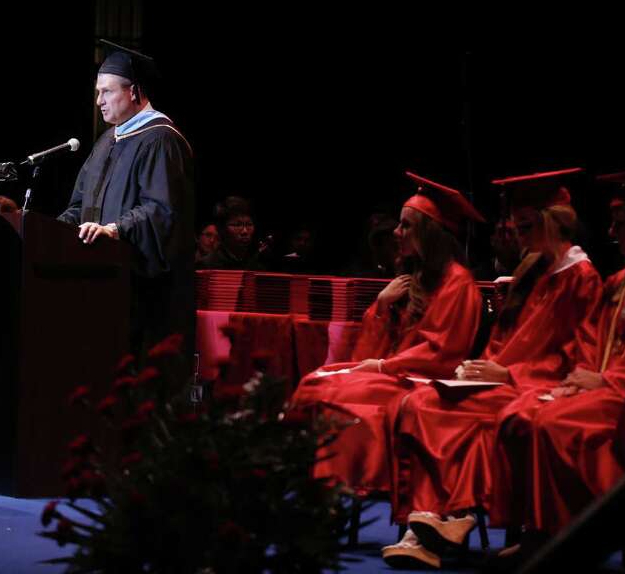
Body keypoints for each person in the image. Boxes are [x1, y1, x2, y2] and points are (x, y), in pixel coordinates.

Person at [382, 169, 602, 568]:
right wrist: (478, 367)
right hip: (504, 380)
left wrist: (508, 375)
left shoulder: (581, 278)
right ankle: (436, 518)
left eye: (526, 226)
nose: (518, 235)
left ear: (554, 222)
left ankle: (444, 516)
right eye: (516, 226)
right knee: (422, 400)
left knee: (432, 407)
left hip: (537, 387)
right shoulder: (533, 271)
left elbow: (578, 357)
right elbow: (502, 342)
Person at [490, 168, 625, 562]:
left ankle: (569, 539)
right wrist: (580, 379)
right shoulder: (621, 281)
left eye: (620, 223)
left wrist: (605, 381)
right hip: (604, 389)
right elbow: (592, 342)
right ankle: (542, 531)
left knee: (551, 422)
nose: (611, 232)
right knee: (521, 414)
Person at [287, 172, 484, 498]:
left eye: (406, 226)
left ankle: (339, 487)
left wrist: (381, 366)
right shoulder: (414, 277)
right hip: (397, 372)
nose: (396, 232)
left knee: (334, 393)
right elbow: (374, 347)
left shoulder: (458, 283)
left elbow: (441, 353)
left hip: (425, 383)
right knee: (315, 382)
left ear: (428, 232)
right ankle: (315, 483)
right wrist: (381, 304)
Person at [58, 48, 195, 352]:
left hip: (145, 297)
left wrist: (114, 230)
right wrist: (44, 229)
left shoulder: (161, 139)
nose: (99, 101)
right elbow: (79, 207)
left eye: (107, 91)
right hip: (102, 287)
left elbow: (161, 211)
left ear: (133, 92)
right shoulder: (106, 141)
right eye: (98, 92)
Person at [198, 196, 265, 271]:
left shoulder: (258, 264)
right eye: (237, 225)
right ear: (222, 229)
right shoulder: (207, 265)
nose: (245, 231)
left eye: (249, 224)